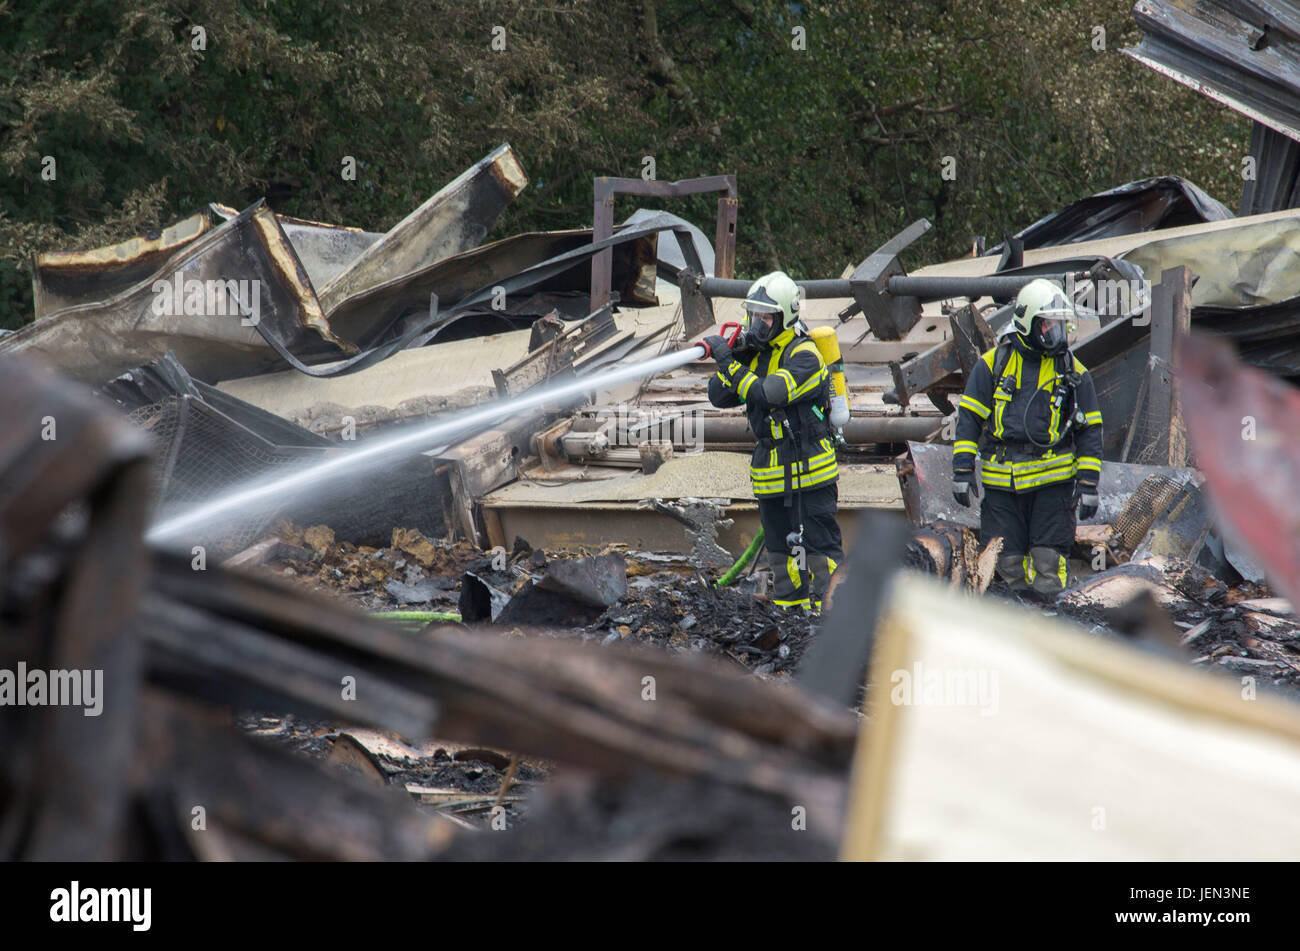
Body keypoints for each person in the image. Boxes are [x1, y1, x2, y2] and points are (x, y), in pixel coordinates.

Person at [951, 277, 1104, 597]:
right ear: (1028, 324)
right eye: (1048, 325)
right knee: (1005, 566)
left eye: (1059, 325)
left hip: (1053, 487)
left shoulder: (1073, 371)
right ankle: (1010, 637)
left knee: (1048, 564)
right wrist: (962, 470)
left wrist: (1089, 484)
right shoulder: (993, 365)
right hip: (1002, 488)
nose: (1056, 333)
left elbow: (1090, 428)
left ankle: (1049, 630)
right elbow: (968, 418)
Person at [701, 271, 843, 611]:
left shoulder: (805, 355)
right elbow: (718, 396)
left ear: (786, 315)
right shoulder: (758, 354)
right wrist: (735, 355)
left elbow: (769, 394)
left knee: (820, 548)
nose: (757, 323)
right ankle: (791, 614)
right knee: (781, 551)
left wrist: (729, 364)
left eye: (765, 316)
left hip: (810, 469)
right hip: (771, 474)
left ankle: (834, 615)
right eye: (753, 315)